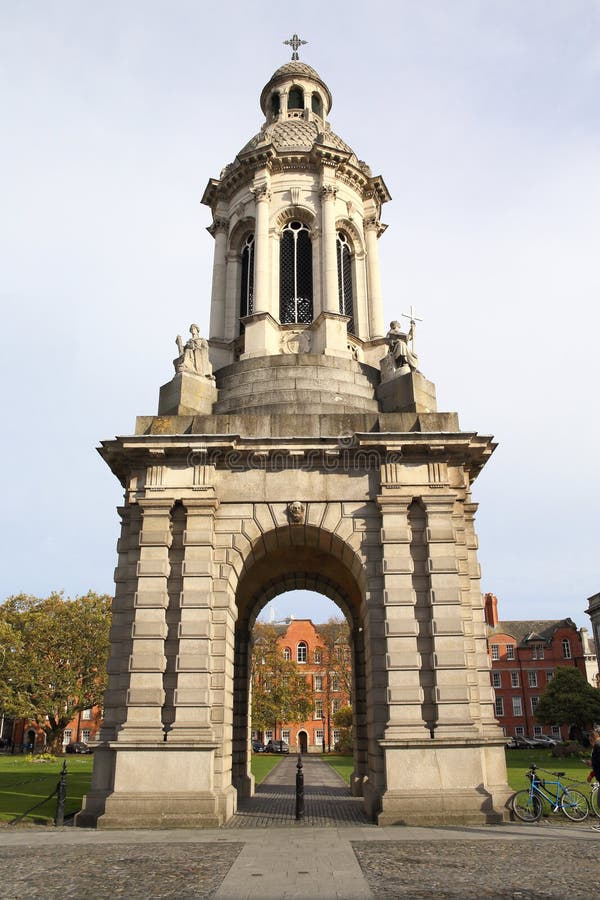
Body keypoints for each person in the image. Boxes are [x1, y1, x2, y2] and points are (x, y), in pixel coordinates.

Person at [586, 730, 600, 831]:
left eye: (590, 741)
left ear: (592, 739)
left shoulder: (597, 747)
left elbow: (597, 763)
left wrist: (591, 773)